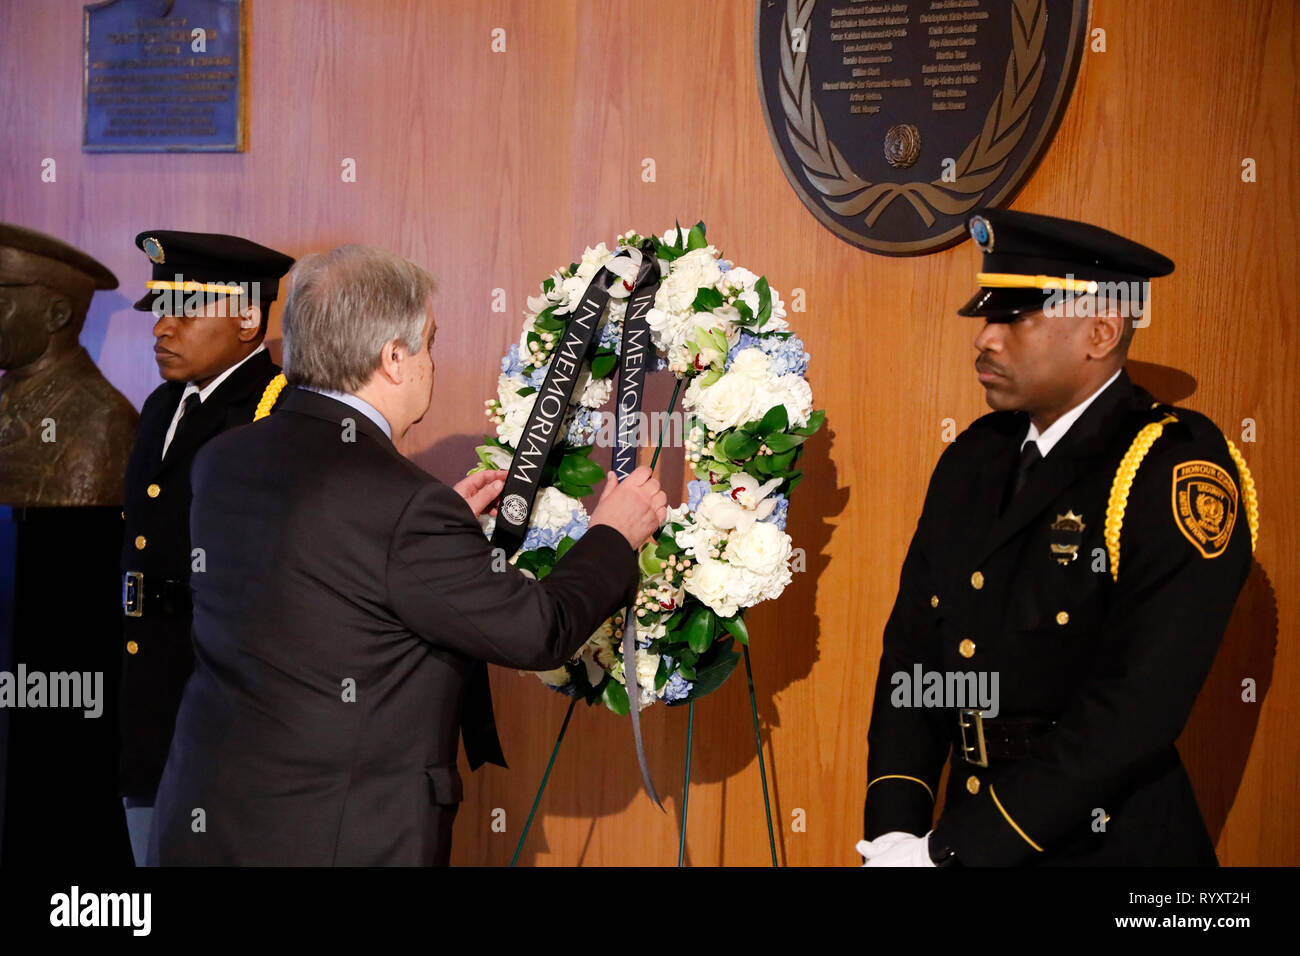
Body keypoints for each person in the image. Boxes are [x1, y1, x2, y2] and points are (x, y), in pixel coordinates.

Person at [148, 244, 667, 865]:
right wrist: (613, 532)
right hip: (336, 841)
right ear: (394, 359)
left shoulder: (225, 460)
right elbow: (538, 631)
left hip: (205, 825)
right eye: (429, 344)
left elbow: (321, 573)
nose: (432, 363)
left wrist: (435, 526)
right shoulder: (399, 506)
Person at [858, 209, 1258, 866]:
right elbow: (916, 664)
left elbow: (1135, 713)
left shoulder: (1170, 470)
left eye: (1013, 318)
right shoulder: (973, 461)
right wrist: (894, 835)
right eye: (986, 317)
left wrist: (952, 851)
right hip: (960, 836)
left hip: (1104, 843)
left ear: (1100, 332)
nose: (984, 338)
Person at [118, 230, 294, 865]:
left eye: (186, 310)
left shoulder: (278, 412)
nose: (163, 329)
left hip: (222, 697)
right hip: (150, 687)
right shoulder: (162, 405)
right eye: (160, 311)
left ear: (248, 317)